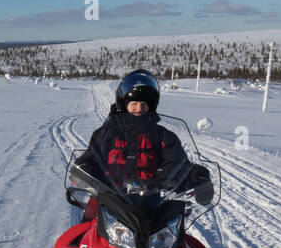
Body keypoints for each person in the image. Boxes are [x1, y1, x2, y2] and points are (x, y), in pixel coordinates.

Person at [77, 69, 214, 215]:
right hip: (111, 204)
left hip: (153, 206)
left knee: (179, 236)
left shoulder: (164, 137)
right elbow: (92, 157)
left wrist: (195, 175)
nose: (139, 109)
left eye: (144, 105)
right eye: (134, 104)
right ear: (124, 105)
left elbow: (177, 165)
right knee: (80, 234)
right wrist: (84, 170)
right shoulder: (106, 134)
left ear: (151, 107)